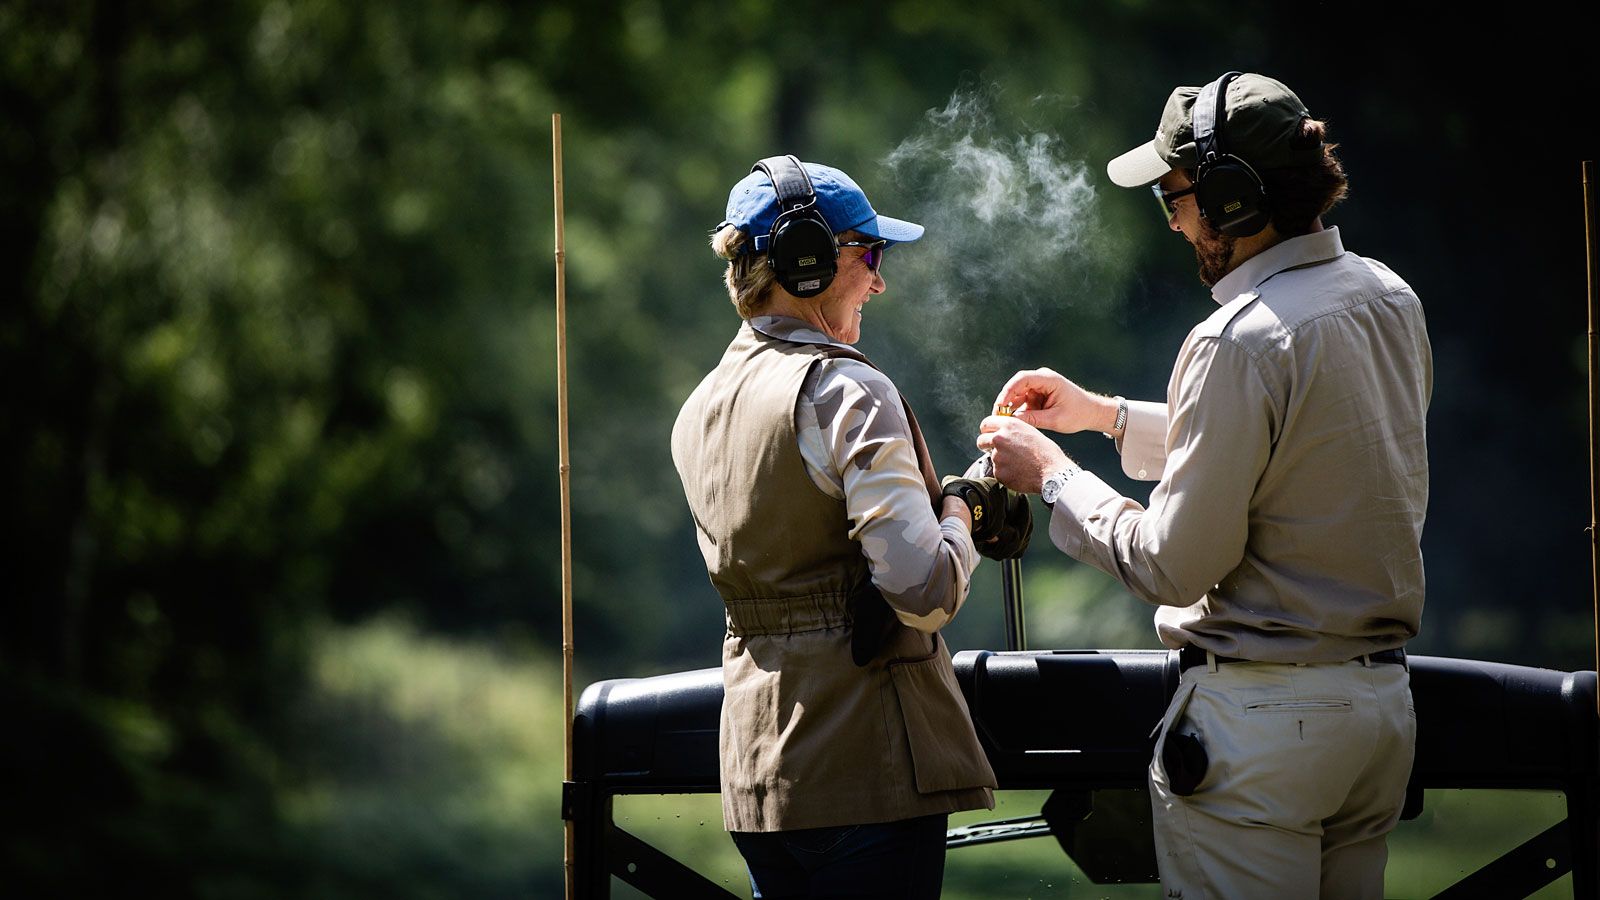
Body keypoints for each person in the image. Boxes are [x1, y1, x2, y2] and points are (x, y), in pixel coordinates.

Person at [978, 73, 1430, 898]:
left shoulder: (1234, 341)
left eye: (1176, 197)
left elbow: (1175, 563)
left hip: (1264, 733)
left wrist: (1055, 478)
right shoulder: (1389, 296)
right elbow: (1296, 448)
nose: (1176, 220)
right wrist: (1107, 417)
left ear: (1231, 198)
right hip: (1379, 719)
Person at [671, 155, 1029, 899]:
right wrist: (961, 509)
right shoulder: (848, 392)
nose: (879, 278)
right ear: (809, 263)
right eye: (869, 255)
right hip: (866, 771)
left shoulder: (698, 409)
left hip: (757, 777)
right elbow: (924, 590)